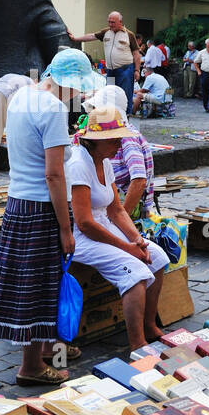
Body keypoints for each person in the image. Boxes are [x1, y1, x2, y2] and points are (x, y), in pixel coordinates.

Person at [0, 48, 104, 386]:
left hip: (18, 201)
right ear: (69, 83)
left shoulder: (23, 96)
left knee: (32, 282)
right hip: (41, 207)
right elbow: (53, 175)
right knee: (39, 285)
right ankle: (31, 367)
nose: (79, 95)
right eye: (79, 88)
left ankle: (47, 348)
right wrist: (66, 228)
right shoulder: (52, 108)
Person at [67, 104, 170, 352]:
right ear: (95, 141)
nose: (118, 145)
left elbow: (116, 210)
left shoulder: (105, 162)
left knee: (157, 257)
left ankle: (148, 324)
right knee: (136, 273)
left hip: (103, 227)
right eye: (113, 140)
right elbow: (85, 223)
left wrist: (137, 240)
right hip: (82, 237)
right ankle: (137, 343)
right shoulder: (79, 165)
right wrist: (126, 248)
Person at [83, 85, 157, 219]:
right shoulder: (122, 134)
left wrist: (122, 218)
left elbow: (139, 180)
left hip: (126, 209)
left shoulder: (127, 137)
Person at [70, 11, 141, 115]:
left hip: (125, 70)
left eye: (113, 22)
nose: (110, 24)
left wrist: (137, 70)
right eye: (109, 22)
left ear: (120, 22)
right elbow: (91, 36)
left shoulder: (129, 35)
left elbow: (136, 54)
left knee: (125, 95)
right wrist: (75, 39)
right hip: (111, 71)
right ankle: (111, 117)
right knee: (110, 95)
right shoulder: (106, 32)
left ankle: (126, 120)